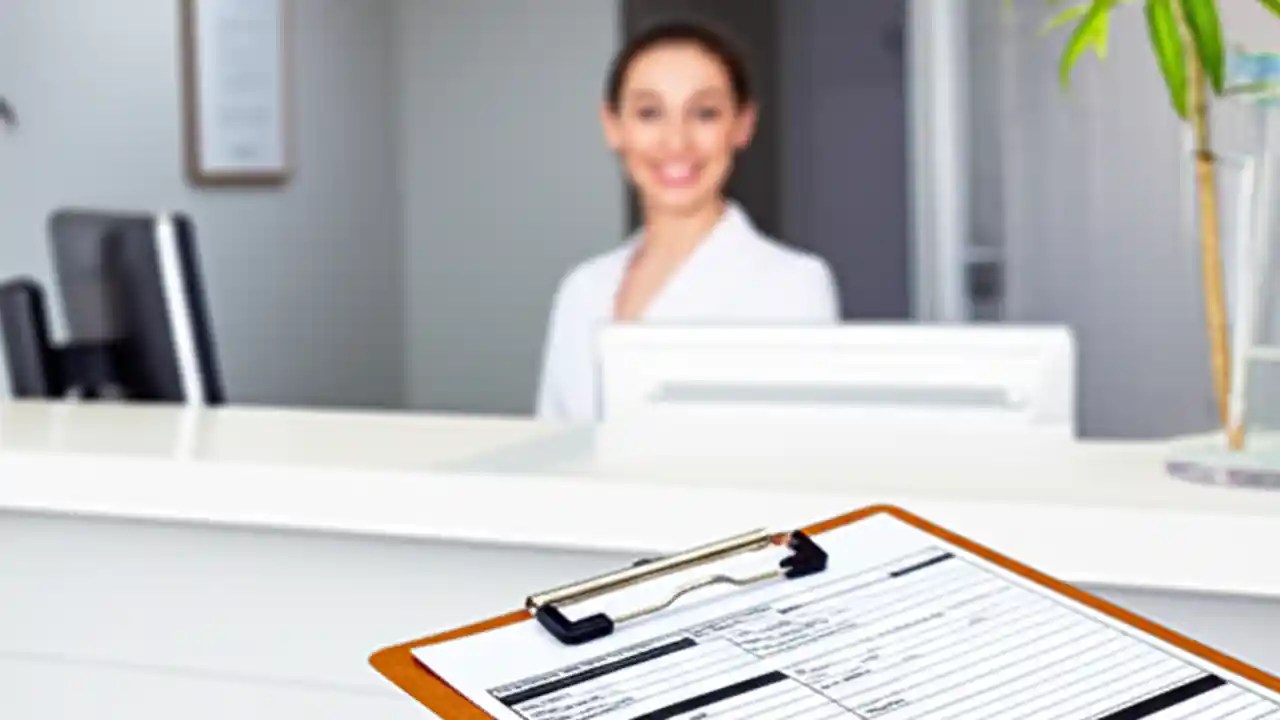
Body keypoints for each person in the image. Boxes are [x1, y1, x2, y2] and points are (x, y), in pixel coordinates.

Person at [536, 22, 841, 423]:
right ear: (613, 127)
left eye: (704, 113)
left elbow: (799, 459)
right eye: (649, 113)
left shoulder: (792, 285)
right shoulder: (582, 289)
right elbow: (547, 450)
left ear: (743, 125)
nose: (676, 142)